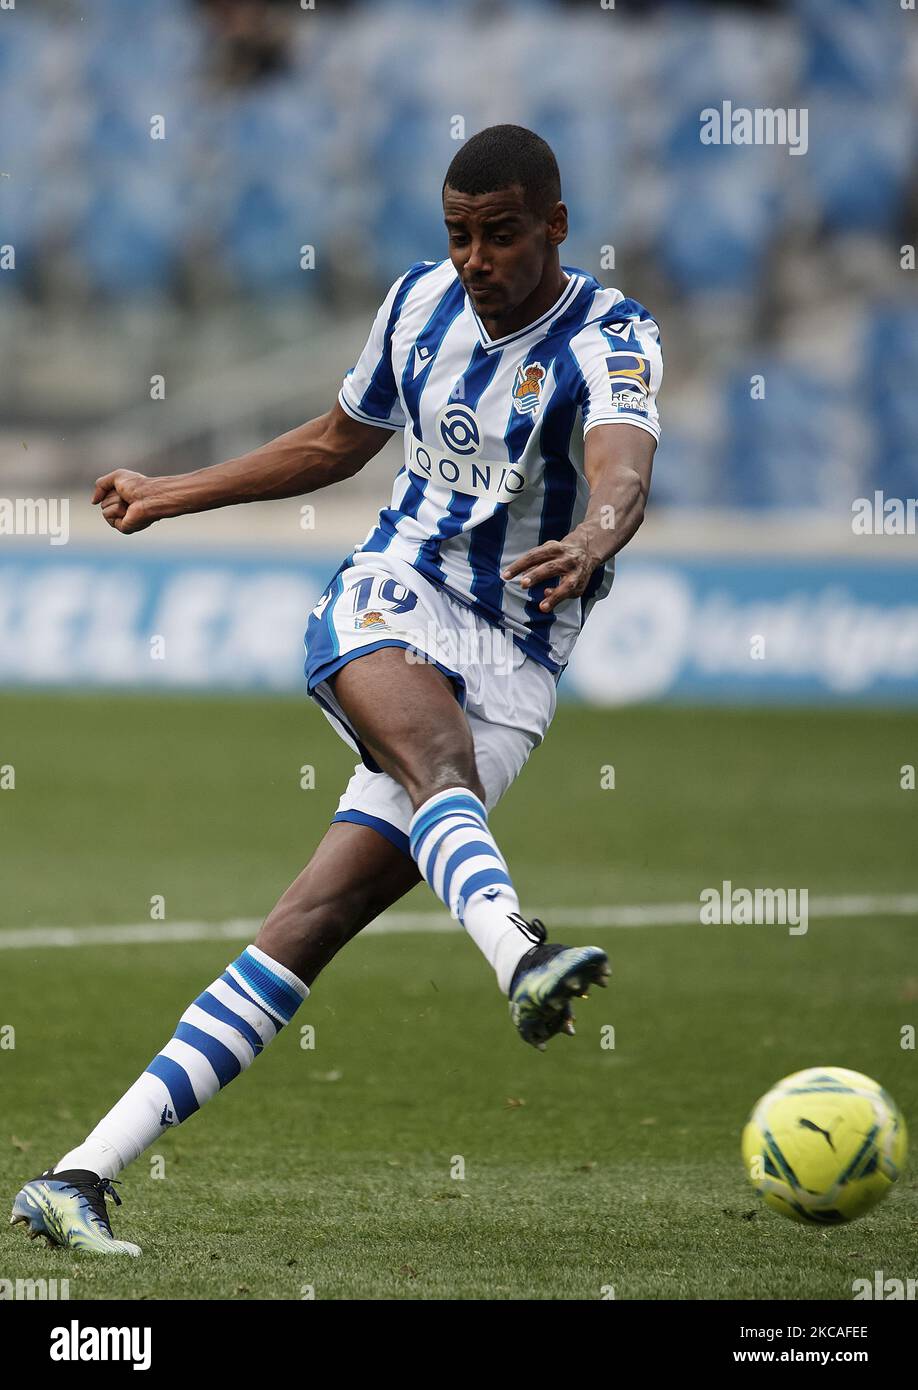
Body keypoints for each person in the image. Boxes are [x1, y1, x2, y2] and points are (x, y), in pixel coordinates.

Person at [11, 124, 661, 1256]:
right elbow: (334, 442)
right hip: (390, 597)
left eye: (500, 234)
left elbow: (621, 465)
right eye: (458, 235)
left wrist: (598, 539)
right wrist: (172, 490)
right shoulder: (416, 305)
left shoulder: (612, 337)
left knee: (305, 927)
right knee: (436, 765)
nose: (474, 258)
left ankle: (75, 1175)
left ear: (555, 227)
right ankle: (521, 953)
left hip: (518, 657)